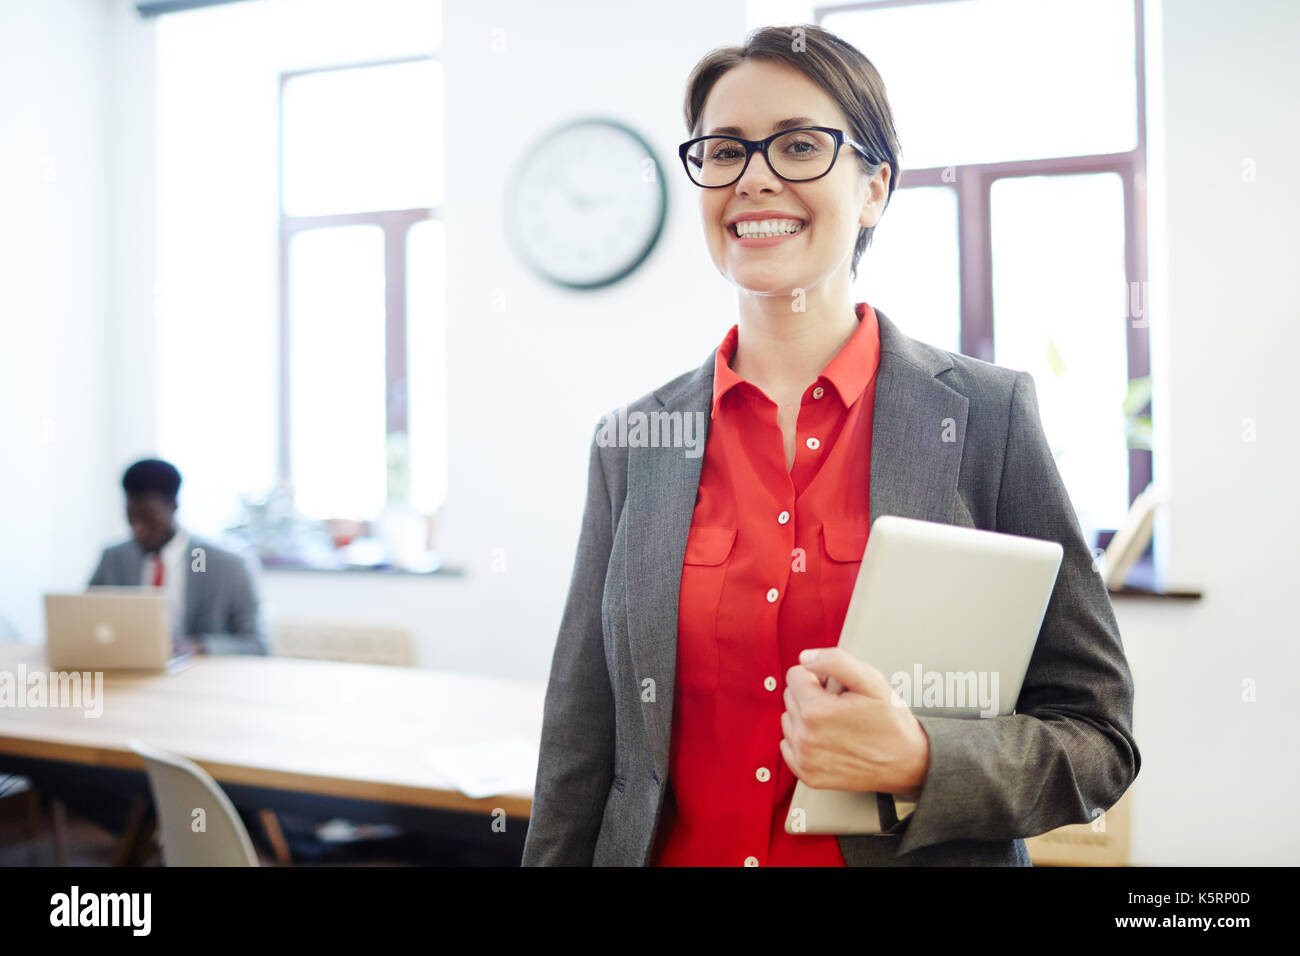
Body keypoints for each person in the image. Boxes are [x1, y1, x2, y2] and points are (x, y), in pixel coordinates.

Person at [522, 24, 1139, 867]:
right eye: (727, 150)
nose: (756, 178)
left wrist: (924, 760)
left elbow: (1097, 734)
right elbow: (579, 747)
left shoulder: (988, 417)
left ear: (875, 188)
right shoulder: (635, 442)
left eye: (800, 145)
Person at [89, 458, 266, 656]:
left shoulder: (225, 565)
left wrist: (199, 647)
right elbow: (85, 625)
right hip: (129, 675)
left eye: (148, 518)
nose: (138, 530)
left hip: (200, 679)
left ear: (173, 505)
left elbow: (257, 645)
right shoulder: (114, 559)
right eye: (132, 519)